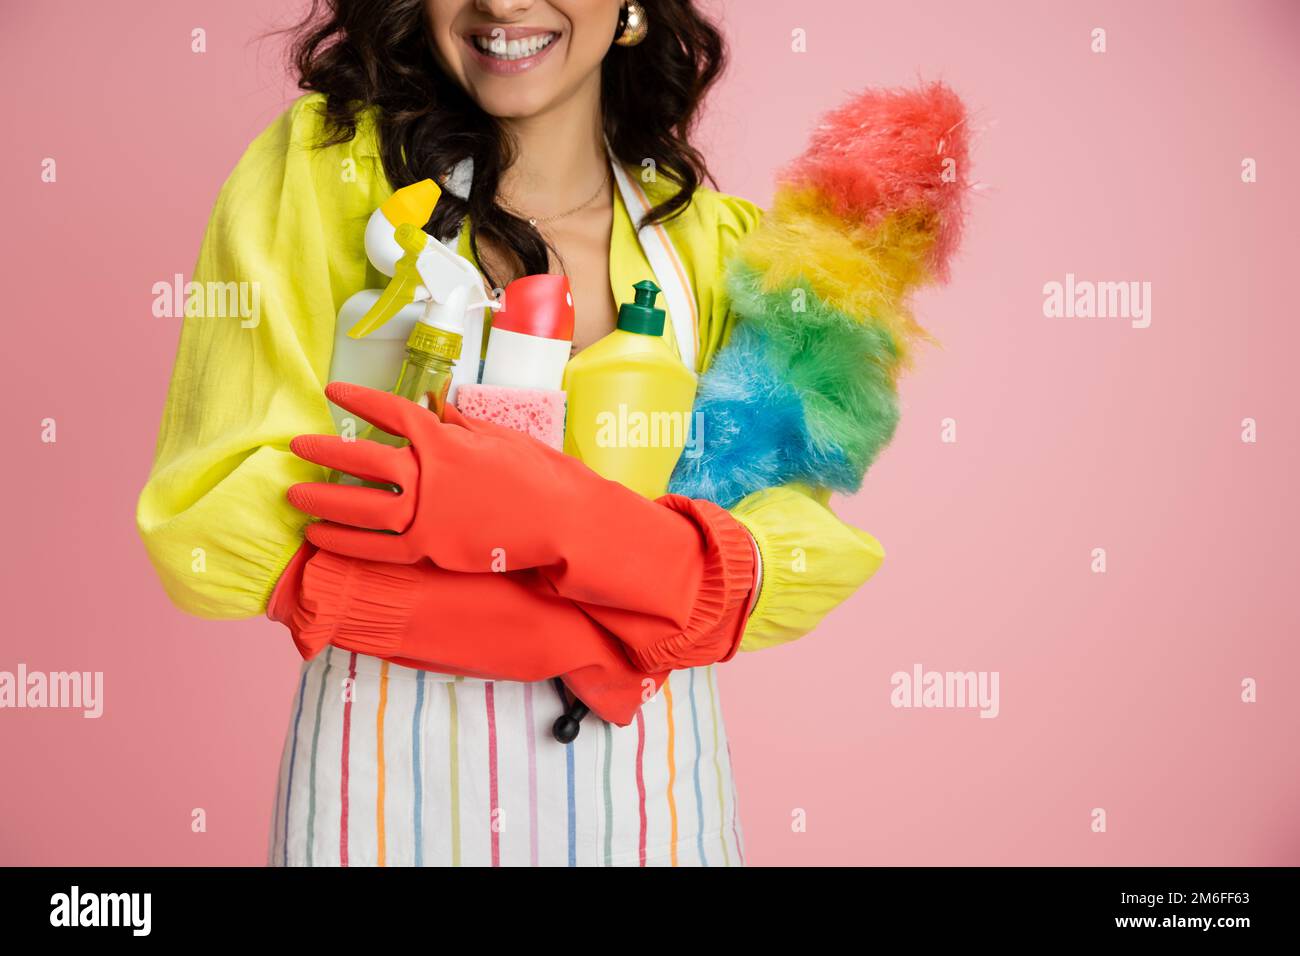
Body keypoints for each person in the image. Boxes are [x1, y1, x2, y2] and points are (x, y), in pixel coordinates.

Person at [137, 0, 884, 867]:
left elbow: (786, 541)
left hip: (653, 807)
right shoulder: (332, 176)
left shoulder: (713, 249)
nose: (501, 3)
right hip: (386, 793)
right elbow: (213, 505)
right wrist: (575, 635)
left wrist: (572, 523)